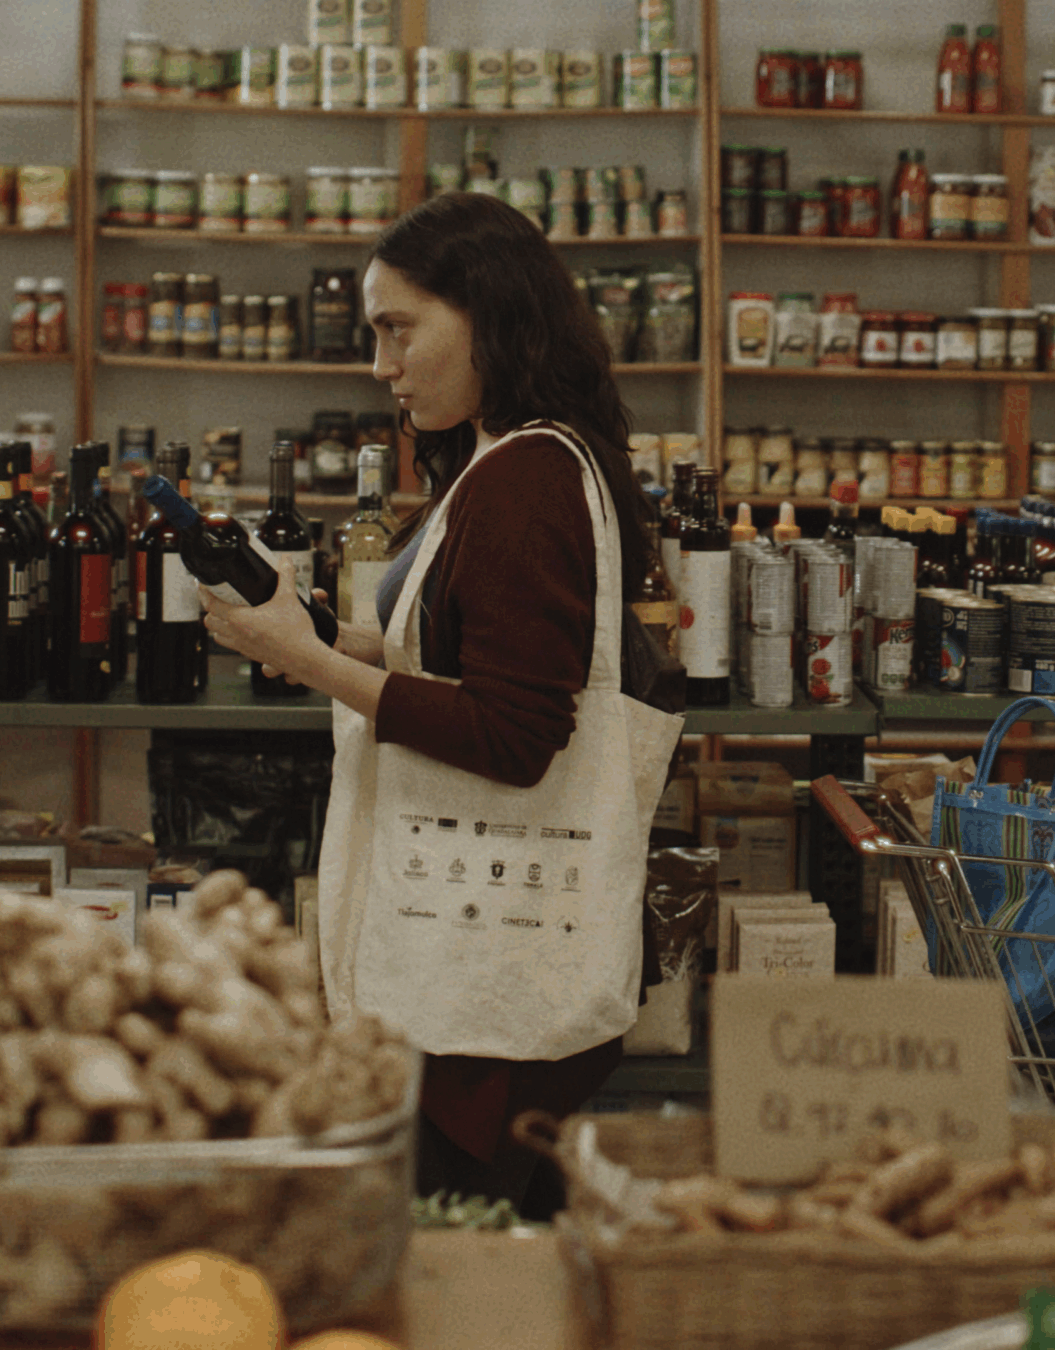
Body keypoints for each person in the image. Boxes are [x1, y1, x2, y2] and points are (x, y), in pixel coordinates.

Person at [202, 192, 678, 1211]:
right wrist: (318, 637)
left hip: (485, 972)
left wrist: (317, 662)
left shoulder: (526, 479)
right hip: (477, 937)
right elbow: (462, 662)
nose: (381, 365)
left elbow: (515, 738)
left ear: (489, 315)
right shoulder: (504, 462)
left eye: (396, 328)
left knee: (464, 1242)